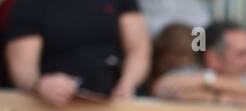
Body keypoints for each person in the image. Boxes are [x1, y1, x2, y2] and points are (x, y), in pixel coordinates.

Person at [4, 0, 150, 104]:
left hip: (116, 105)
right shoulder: (29, 4)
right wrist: (40, 84)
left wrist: (128, 83)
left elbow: (138, 50)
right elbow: (22, 67)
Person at [151, 20, 246, 104]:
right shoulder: (189, 73)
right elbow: (162, 88)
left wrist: (206, 82)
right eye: (241, 54)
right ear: (213, 58)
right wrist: (228, 98)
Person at [144, 21, 200, 96]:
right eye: (182, 53)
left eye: (195, 54)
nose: (191, 60)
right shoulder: (143, 74)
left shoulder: (195, 71)